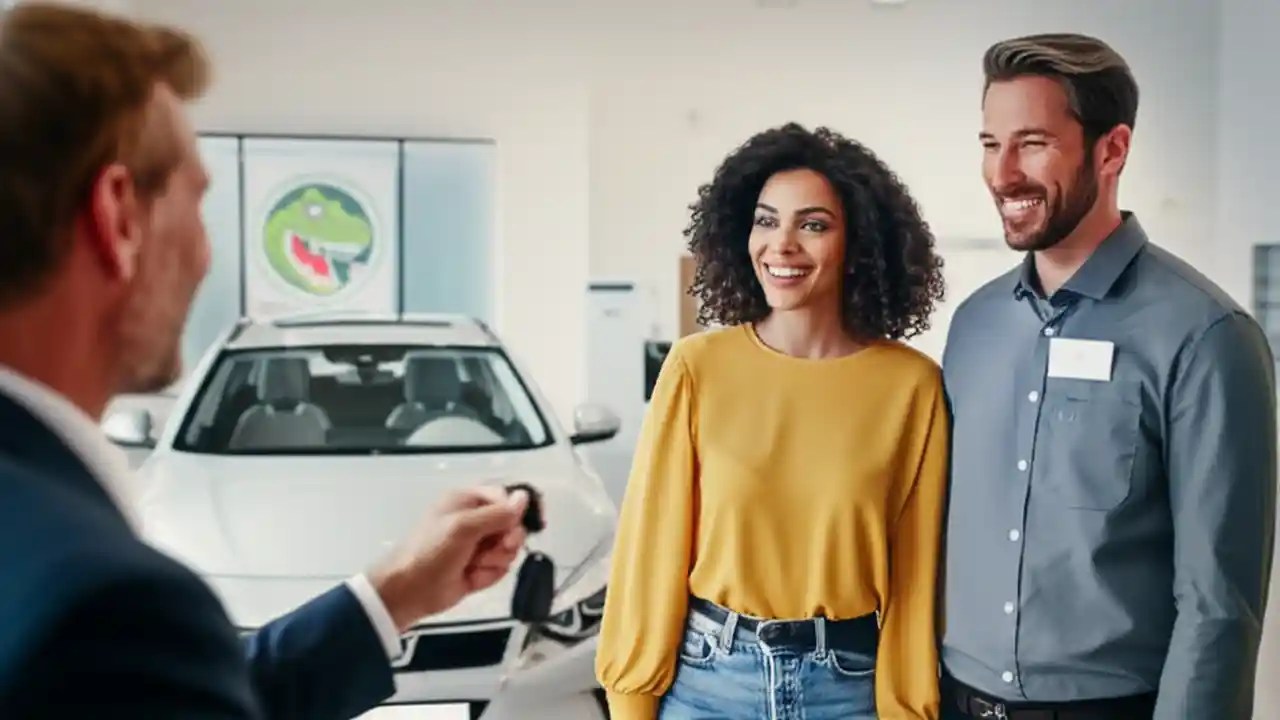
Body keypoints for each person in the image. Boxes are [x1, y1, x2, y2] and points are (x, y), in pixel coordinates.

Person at [0, 3, 531, 718]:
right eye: (197, 201)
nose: (205, 255)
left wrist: (395, 592)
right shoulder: (106, 606)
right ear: (119, 217)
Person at [940, 32, 1277, 720]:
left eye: (1032, 143)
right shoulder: (974, 327)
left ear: (1112, 150)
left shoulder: (1208, 336)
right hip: (954, 701)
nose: (1002, 174)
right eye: (990, 144)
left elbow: (1218, 607)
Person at [595, 122, 950, 719]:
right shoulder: (697, 367)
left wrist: (908, 709)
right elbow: (649, 552)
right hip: (708, 686)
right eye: (766, 221)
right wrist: (631, 702)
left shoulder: (911, 386)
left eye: (813, 225)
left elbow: (917, 580)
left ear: (859, 244)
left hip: (849, 690)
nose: (781, 244)